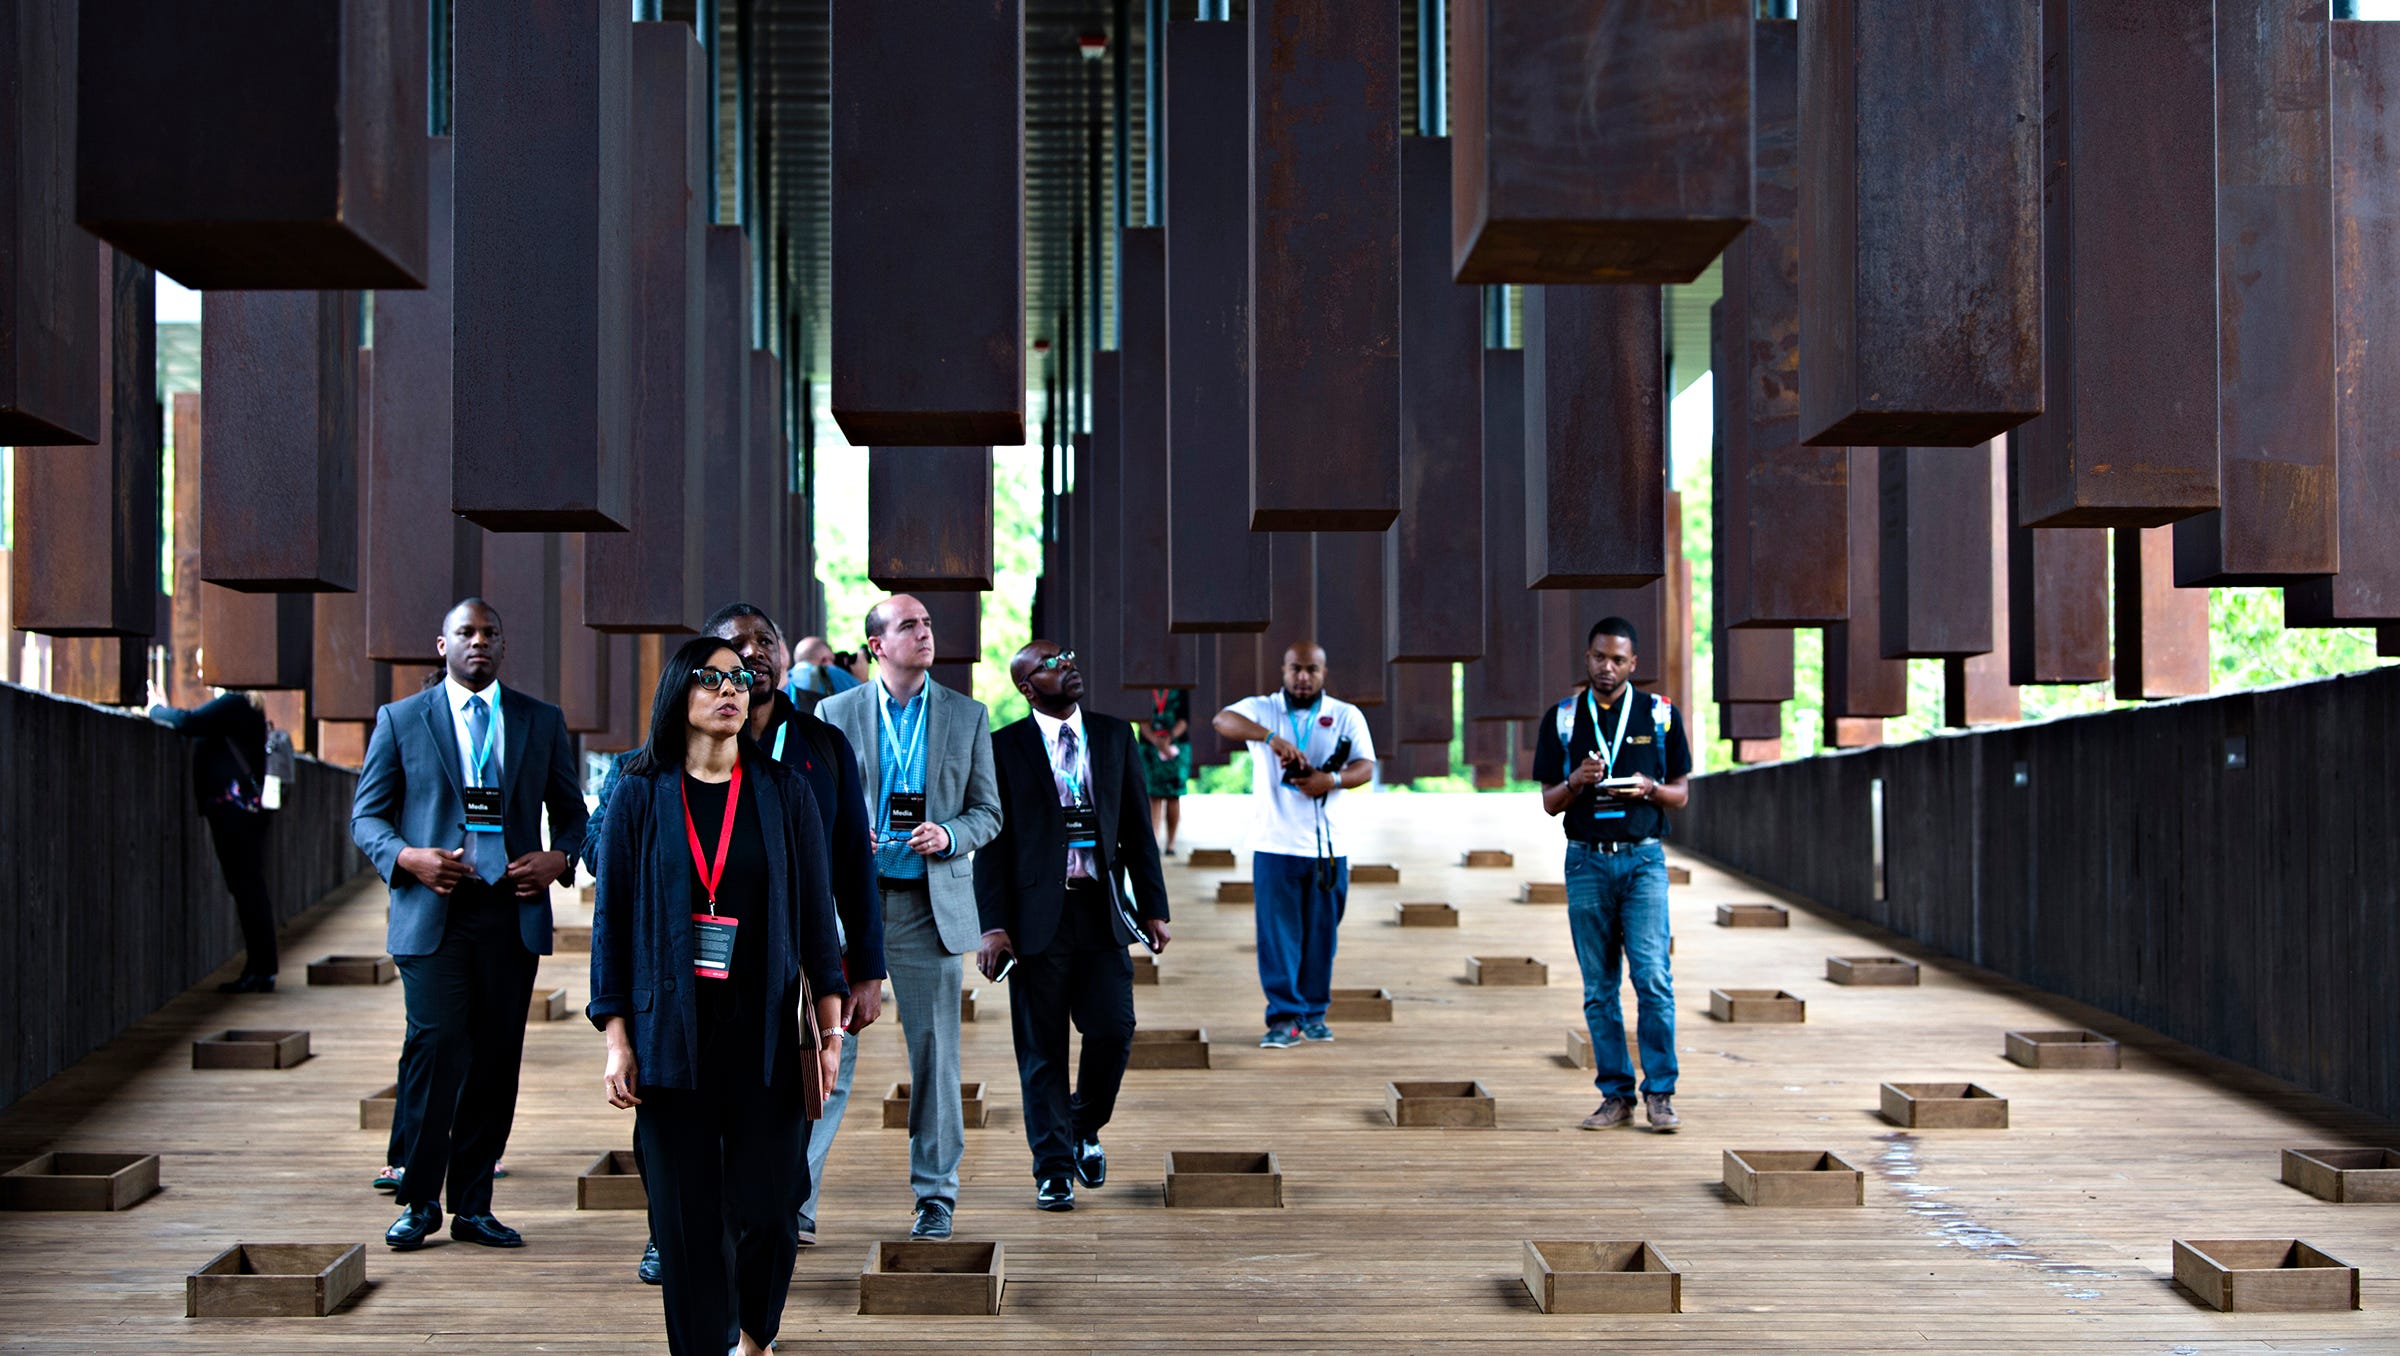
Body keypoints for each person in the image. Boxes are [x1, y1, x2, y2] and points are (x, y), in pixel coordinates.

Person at [597, 603, 886, 1283]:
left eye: (764, 644)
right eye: (728, 653)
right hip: (673, 983)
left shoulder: (816, 752)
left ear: (783, 660)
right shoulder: (641, 782)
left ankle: (769, 1230)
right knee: (677, 1133)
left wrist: (862, 970)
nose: (747, 661)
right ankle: (673, 1233)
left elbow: (846, 868)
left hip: (774, 980)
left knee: (770, 1142)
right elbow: (610, 889)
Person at [351, 598, 588, 1251]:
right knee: (437, 1048)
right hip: (435, 910)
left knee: (495, 1060)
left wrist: (559, 858)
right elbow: (366, 818)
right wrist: (407, 857)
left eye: (490, 632)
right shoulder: (402, 721)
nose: (478, 641)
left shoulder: (540, 722)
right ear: (442, 644)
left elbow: (573, 815)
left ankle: (474, 1205)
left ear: (503, 646)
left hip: (510, 910)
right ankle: (420, 1200)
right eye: (465, 632)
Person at [816, 593, 1001, 1240]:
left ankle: (936, 1195)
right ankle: (796, 1201)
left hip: (929, 906)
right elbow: (809, 804)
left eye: (926, 624)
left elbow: (989, 812)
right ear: (876, 646)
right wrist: (843, 833)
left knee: (934, 1058)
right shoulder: (833, 713)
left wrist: (948, 835)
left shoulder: (966, 715)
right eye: (908, 626)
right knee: (829, 1051)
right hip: (851, 907)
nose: (925, 633)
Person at [974, 642, 1171, 1211]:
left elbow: (1137, 827)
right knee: (1041, 1050)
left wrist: (1153, 905)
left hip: (1101, 909)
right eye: (1050, 664)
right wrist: (992, 927)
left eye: (1068, 656)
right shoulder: (1002, 748)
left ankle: (1084, 1125)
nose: (1068, 665)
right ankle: (1054, 1166)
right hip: (1036, 919)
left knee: (1114, 1029)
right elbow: (992, 846)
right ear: (1027, 688)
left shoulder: (1114, 736)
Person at [1534, 616, 1692, 1134]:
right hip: (1585, 861)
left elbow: (1681, 793)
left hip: (1643, 859)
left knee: (1652, 977)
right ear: (1587, 657)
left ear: (1634, 664)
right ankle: (1615, 1096)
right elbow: (1549, 805)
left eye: (1618, 660)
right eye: (1600, 657)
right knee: (1599, 987)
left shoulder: (1660, 714)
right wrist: (1577, 780)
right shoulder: (1561, 719)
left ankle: (1661, 1094)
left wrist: (1648, 787)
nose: (1608, 667)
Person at [1210, 642, 1377, 1050]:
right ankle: (1284, 1018)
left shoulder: (1344, 714)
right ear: (1283, 671)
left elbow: (1366, 766)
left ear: (1324, 672)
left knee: (1322, 936)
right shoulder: (1264, 709)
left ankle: (1314, 1015)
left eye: (1312, 670)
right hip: (1275, 844)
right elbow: (1221, 720)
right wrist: (1271, 739)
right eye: (1295, 669)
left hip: (1329, 847)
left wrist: (1330, 781)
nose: (1303, 677)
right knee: (1277, 936)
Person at [147, 684, 278, 992]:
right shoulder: (248, 706)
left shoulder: (234, 702)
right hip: (245, 813)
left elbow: (187, 722)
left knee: (247, 889)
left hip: (234, 814)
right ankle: (260, 968)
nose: (202, 671)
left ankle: (260, 971)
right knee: (250, 888)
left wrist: (155, 709)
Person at [1140, 686, 1191, 855]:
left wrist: (1168, 740)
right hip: (1150, 746)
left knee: (1173, 795)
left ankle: (1171, 844)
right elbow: (1141, 719)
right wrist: (1156, 741)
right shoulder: (1143, 687)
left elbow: (1184, 719)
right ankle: (1153, 840)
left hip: (1175, 745)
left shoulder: (1181, 687)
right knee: (1152, 795)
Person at [787, 633, 862, 699]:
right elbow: (864, 695)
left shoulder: (785, 679)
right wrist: (861, 676)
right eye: (832, 660)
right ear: (825, 660)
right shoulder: (830, 672)